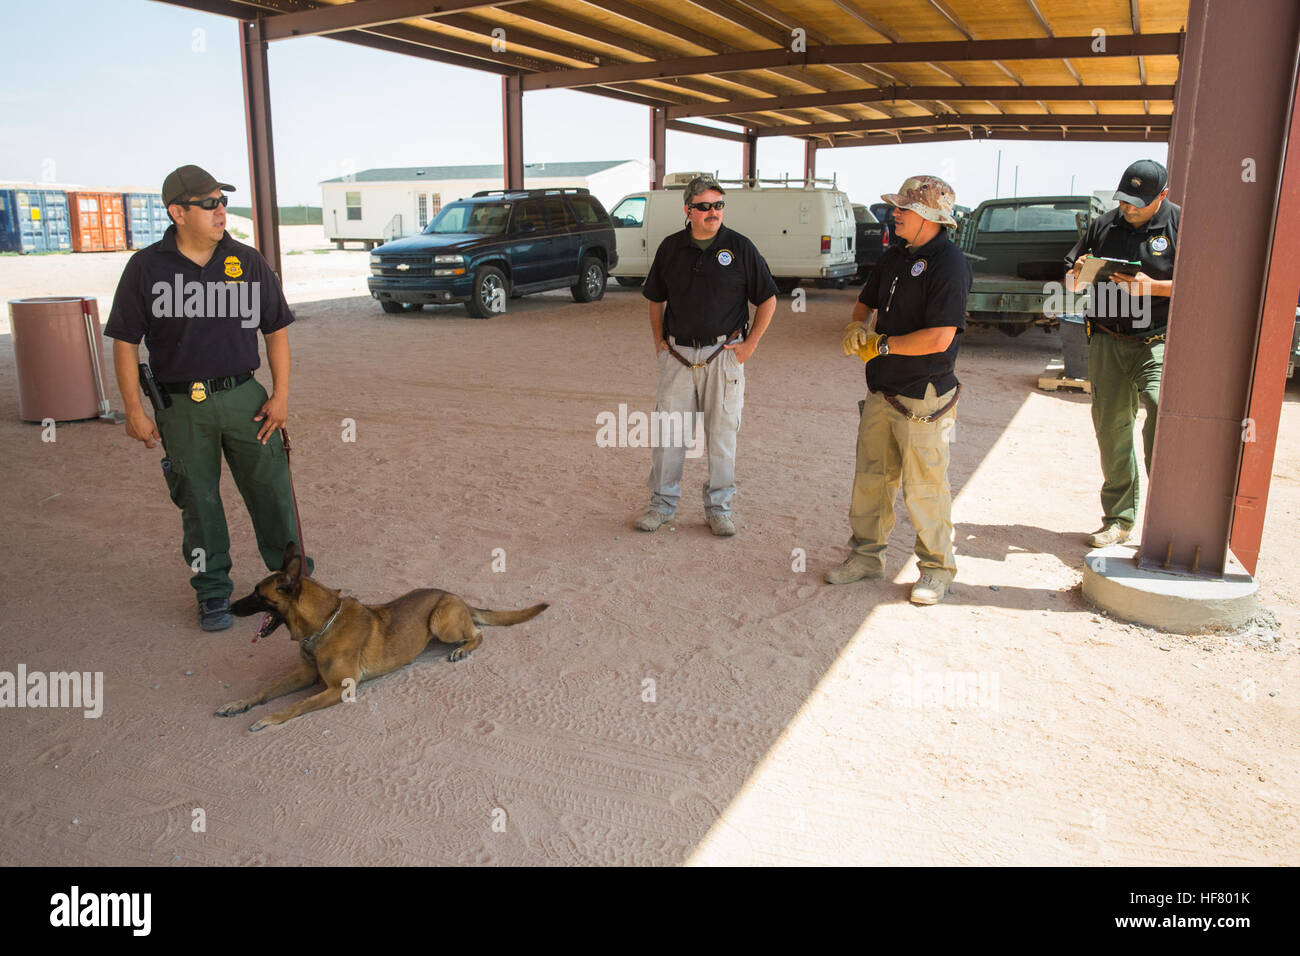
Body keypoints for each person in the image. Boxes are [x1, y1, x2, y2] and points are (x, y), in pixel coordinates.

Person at [104, 164, 311, 631]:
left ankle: (297, 587)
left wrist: (280, 396)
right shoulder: (146, 268)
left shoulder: (248, 261)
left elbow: (276, 331)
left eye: (222, 202)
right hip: (181, 408)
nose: (222, 212)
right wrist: (134, 411)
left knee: (272, 495)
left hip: (245, 400)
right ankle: (213, 592)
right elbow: (124, 341)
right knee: (198, 503)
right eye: (209, 204)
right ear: (178, 212)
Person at [825, 175, 971, 605]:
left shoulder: (950, 264)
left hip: (923, 394)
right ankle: (867, 557)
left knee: (925, 488)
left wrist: (882, 345)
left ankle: (936, 569)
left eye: (903, 209)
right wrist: (857, 324)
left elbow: (941, 337)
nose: (894, 214)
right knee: (871, 480)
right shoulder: (894, 257)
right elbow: (866, 301)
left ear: (928, 216)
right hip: (881, 391)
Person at [634, 175, 778, 537]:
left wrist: (749, 346)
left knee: (722, 436)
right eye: (704, 206)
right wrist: (659, 342)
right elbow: (655, 298)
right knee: (669, 436)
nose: (713, 212)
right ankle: (661, 506)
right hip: (678, 356)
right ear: (688, 210)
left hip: (723, 355)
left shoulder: (740, 247)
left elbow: (768, 299)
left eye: (718, 205)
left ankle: (719, 509)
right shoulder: (670, 248)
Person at [1064, 159, 1178, 548]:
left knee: (1162, 414)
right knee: (1111, 429)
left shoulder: (1180, 225)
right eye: (1124, 200)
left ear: (1161, 196)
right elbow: (1068, 276)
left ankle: (1167, 522)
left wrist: (1155, 288)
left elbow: (1202, 285)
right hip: (1109, 339)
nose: (1128, 208)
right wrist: (1079, 270)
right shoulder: (1104, 224)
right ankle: (1119, 519)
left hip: (1157, 341)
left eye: (1138, 203)